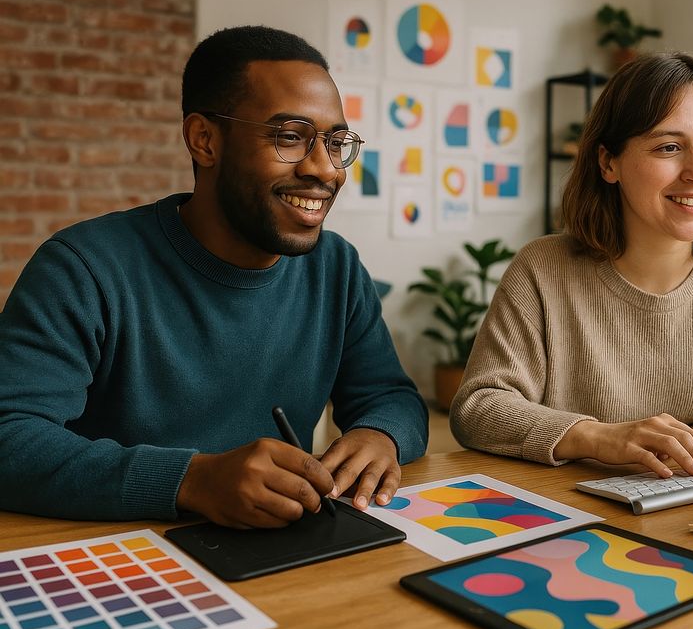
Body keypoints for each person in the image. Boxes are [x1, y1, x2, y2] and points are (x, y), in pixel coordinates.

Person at [0, 26, 428, 528]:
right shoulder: (83, 267)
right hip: (124, 553)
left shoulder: (336, 267)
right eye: (290, 137)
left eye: (335, 142)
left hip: (279, 548)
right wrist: (190, 479)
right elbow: (10, 434)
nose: (326, 169)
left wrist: (381, 434)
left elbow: (392, 397)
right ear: (204, 140)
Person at [451, 52, 693, 480]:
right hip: (582, 508)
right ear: (608, 163)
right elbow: (479, 406)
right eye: (669, 147)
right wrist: (598, 437)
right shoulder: (541, 270)